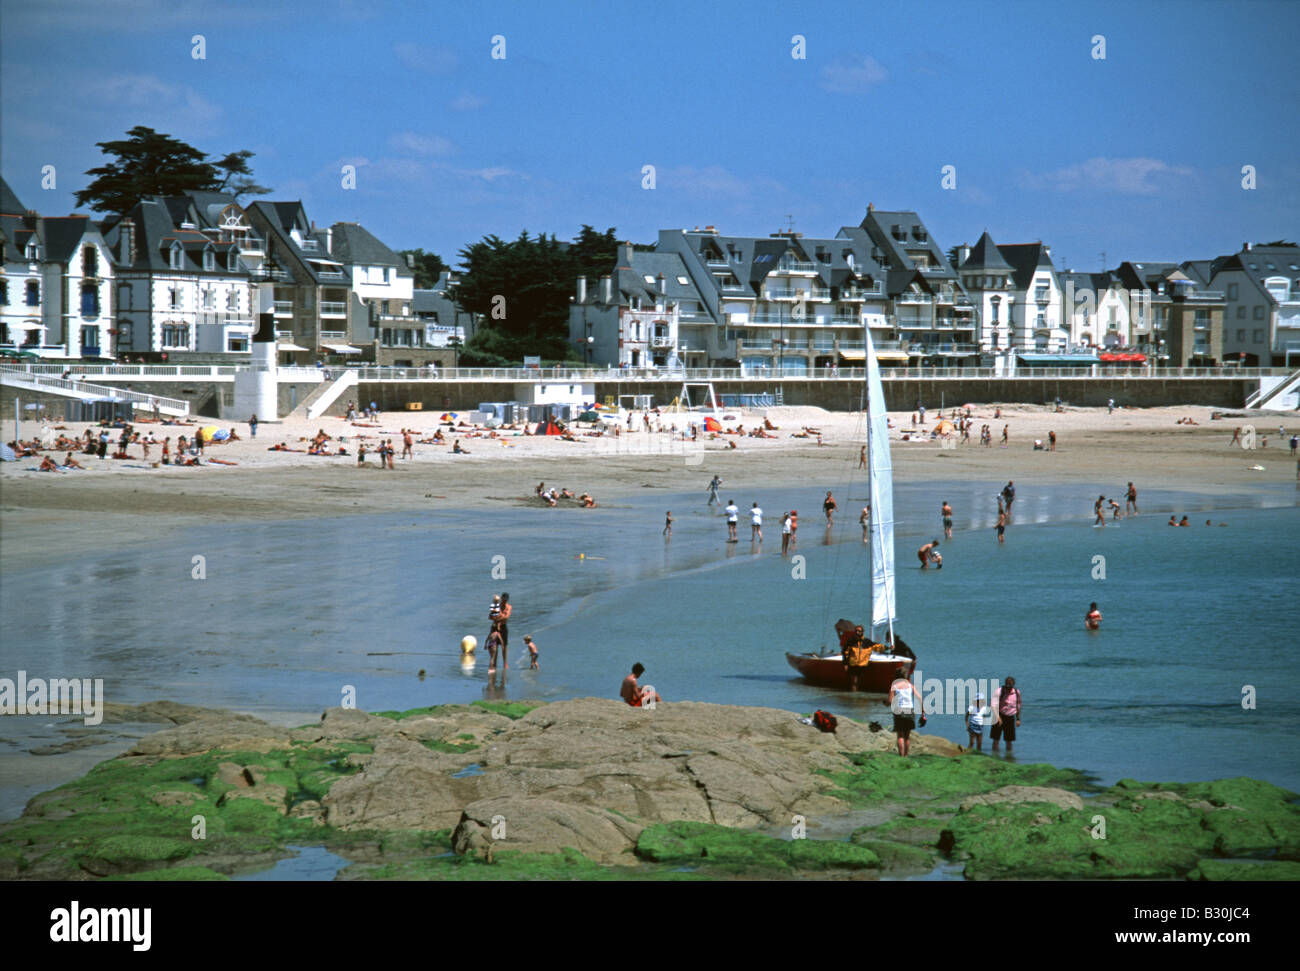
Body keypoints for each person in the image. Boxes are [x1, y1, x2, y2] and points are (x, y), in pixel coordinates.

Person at [889, 666, 924, 756]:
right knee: (907, 736)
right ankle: (906, 755)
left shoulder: (894, 686)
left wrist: (886, 703)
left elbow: (890, 701)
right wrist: (923, 713)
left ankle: (901, 756)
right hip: (910, 711)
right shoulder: (910, 686)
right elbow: (920, 698)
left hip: (899, 711)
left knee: (900, 735)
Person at [990, 676, 1021, 754]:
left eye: (1010, 686)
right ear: (1005, 684)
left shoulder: (1016, 692)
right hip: (999, 715)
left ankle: (1009, 757)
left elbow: (1018, 705)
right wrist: (998, 717)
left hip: (1010, 717)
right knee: (996, 739)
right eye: (1007, 685)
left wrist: (1018, 719)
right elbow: (993, 705)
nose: (1008, 687)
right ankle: (995, 756)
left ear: (1013, 685)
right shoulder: (999, 691)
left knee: (1009, 741)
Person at [842, 627, 872, 692]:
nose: (857, 632)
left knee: (859, 680)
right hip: (853, 664)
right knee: (854, 681)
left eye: (859, 631)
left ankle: (857, 694)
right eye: (856, 631)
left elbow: (875, 646)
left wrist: (888, 648)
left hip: (862, 664)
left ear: (862, 632)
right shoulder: (850, 641)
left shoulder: (866, 641)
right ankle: (854, 695)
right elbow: (845, 652)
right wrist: (845, 664)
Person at [496, 593, 512, 664]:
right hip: (495, 626)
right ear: (501, 598)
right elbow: (492, 617)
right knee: (495, 646)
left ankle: (505, 663)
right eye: (503, 599)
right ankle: (494, 662)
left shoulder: (509, 607)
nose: (504, 601)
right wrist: (502, 616)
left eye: (506, 600)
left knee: (504, 646)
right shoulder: (497, 606)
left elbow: (507, 617)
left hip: (504, 626)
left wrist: (500, 616)